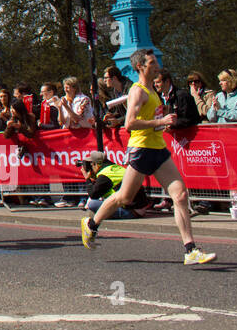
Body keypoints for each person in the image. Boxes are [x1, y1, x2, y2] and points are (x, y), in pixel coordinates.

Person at [81, 49, 215, 265]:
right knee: (124, 197)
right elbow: (130, 123)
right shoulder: (138, 91)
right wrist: (159, 123)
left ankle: (190, 250)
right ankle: (92, 224)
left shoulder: (153, 89)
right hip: (141, 149)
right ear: (140, 67)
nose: (157, 66)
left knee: (180, 195)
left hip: (158, 148)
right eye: (152, 63)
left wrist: (161, 122)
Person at [79, 151, 148, 218]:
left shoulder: (105, 175)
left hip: (132, 211)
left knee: (93, 204)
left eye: (91, 164)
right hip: (139, 208)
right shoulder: (115, 168)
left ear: (96, 165)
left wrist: (87, 178)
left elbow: (93, 194)